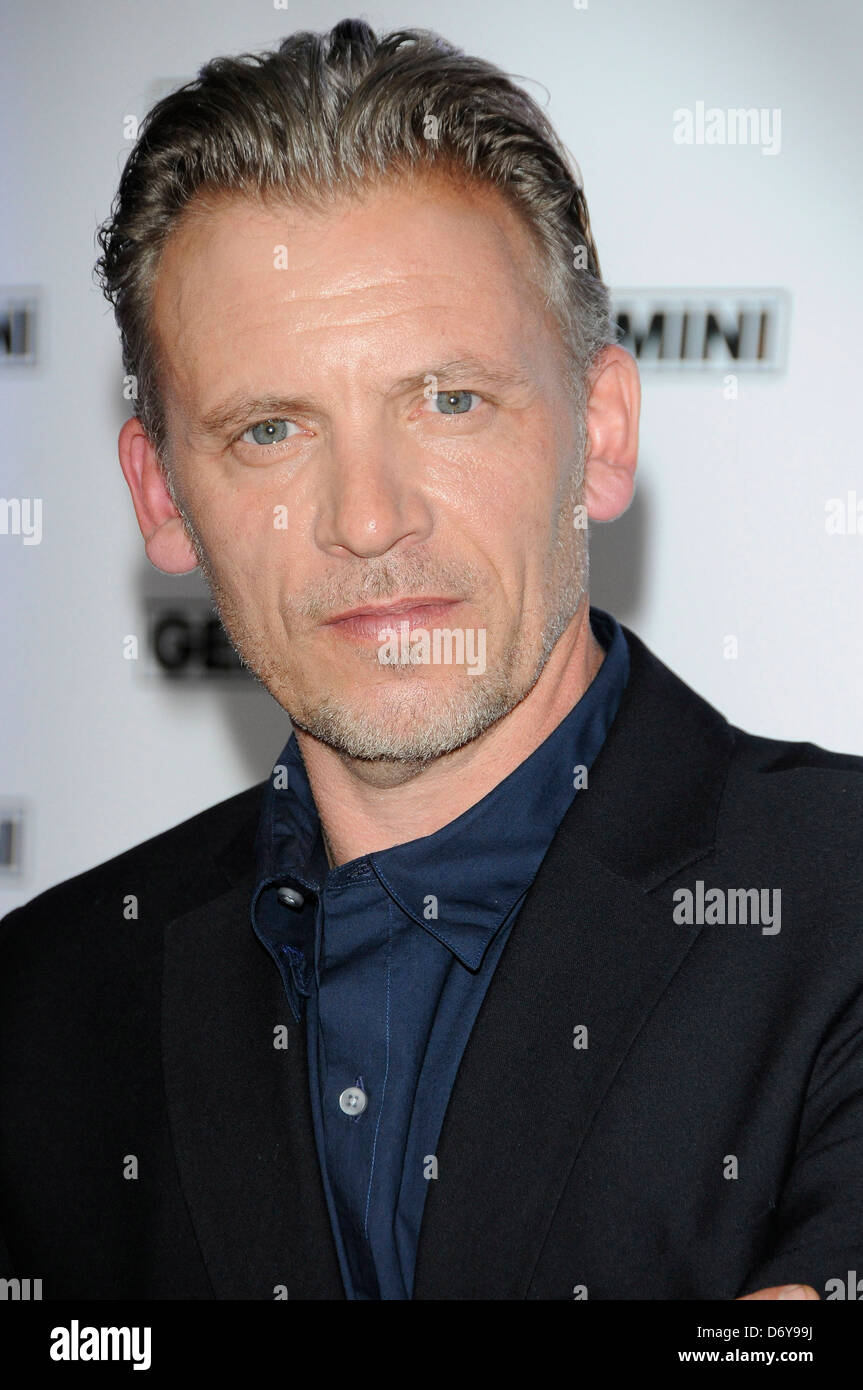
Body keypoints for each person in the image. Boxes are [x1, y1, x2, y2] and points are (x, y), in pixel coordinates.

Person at [0, 18, 857, 1302]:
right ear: (162, 496)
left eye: (447, 400)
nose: (367, 513)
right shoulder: (41, 1012)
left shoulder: (840, 905)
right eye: (271, 428)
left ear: (600, 434)